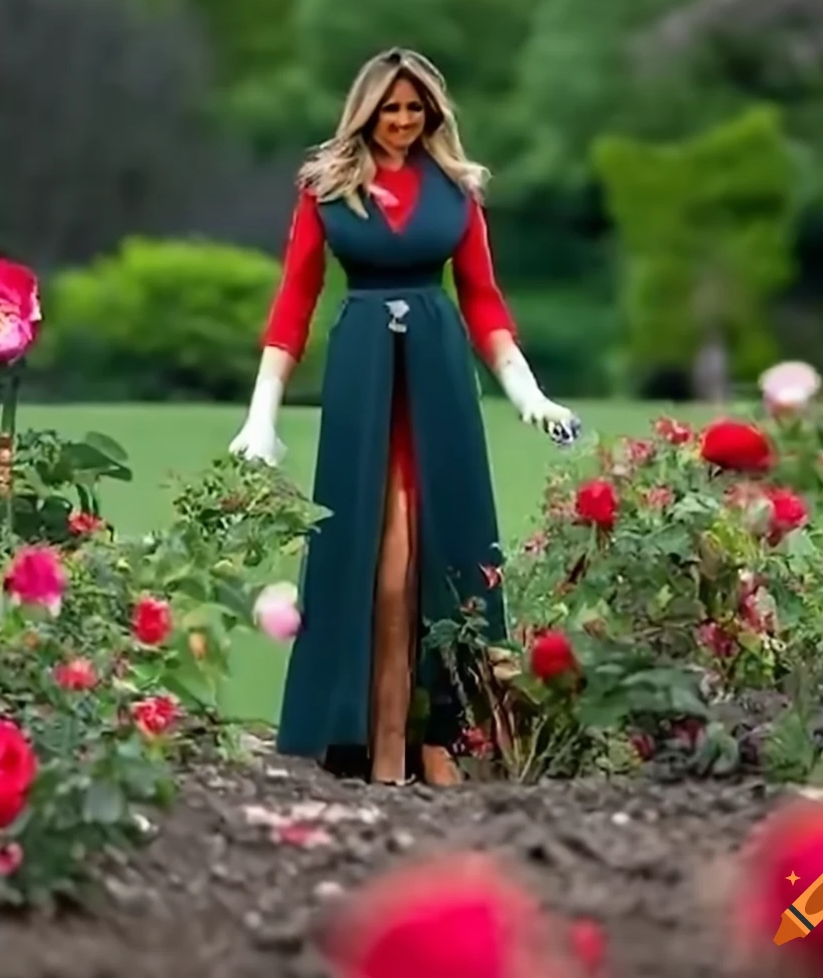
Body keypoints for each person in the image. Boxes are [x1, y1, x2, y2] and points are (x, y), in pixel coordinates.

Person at [229, 48, 579, 787]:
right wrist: (262, 415)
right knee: (379, 558)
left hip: (438, 375)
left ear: (432, 113)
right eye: (389, 108)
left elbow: (483, 299)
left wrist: (529, 395)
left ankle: (441, 739)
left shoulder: (457, 190)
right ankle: (374, 739)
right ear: (366, 112)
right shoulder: (326, 188)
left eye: (414, 109)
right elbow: (294, 301)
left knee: (444, 548)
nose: (401, 121)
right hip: (362, 376)